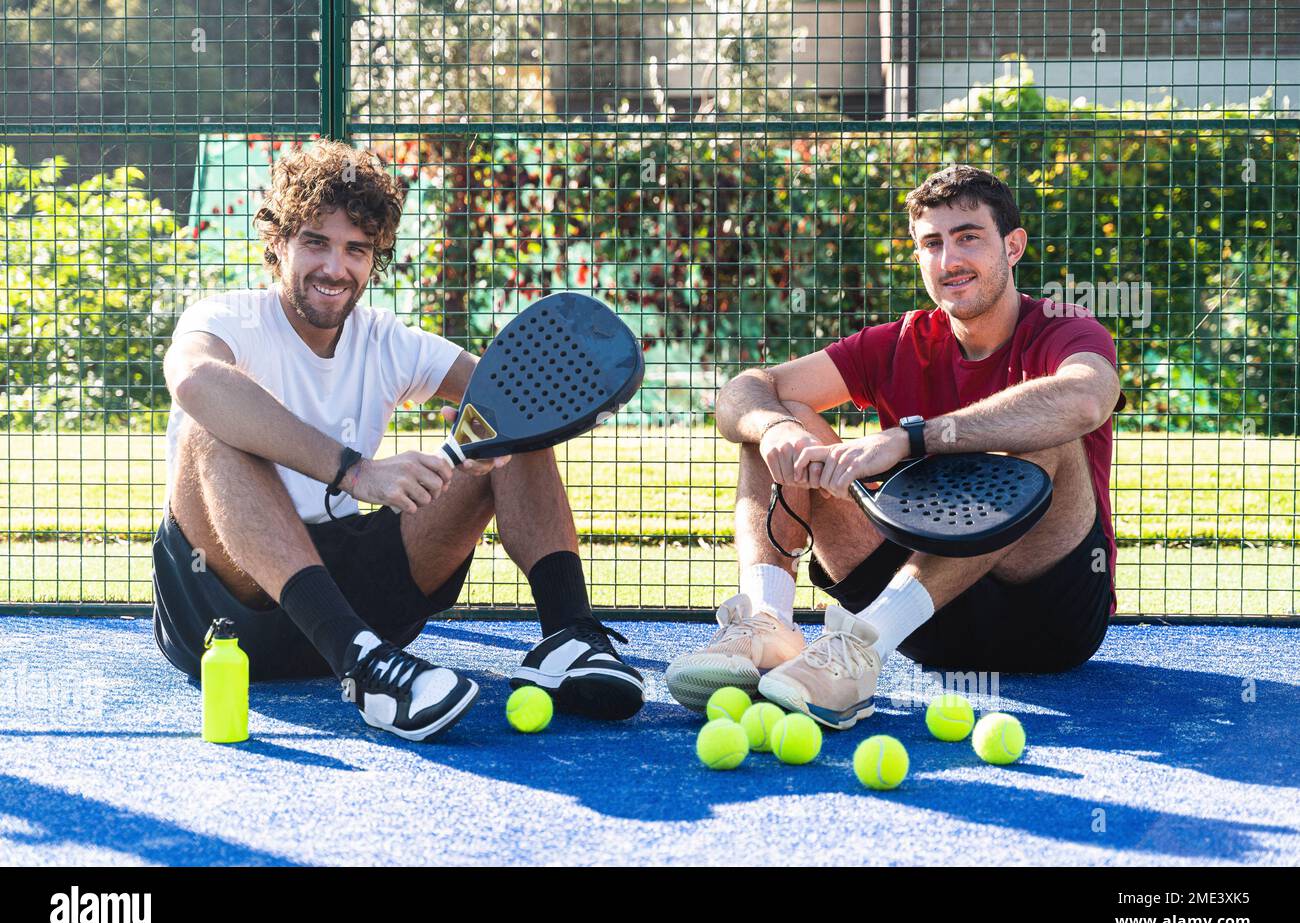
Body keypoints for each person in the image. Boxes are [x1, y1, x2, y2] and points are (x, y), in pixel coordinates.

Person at [153, 139, 644, 741]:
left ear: (373, 260)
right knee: (211, 431)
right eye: (315, 242)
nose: (335, 268)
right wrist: (357, 473)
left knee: (509, 408)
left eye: (355, 250)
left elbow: (518, 385)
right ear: (278, 244)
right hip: (229, 612)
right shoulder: (229, 319)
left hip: (363, 599)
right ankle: (362, 666)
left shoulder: (386, 340)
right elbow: (197, 380)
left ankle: (569, 637)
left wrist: (568, 404)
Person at [667, 165, 1125, 729]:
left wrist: (909, 438)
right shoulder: (903, 339)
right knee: (777, 419)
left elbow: (1084, 401)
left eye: (968, 237)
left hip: (1049, 617)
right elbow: (742, 391)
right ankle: (768, 627)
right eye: (931, 243)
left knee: (1046, 435)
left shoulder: (1064, 327)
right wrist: (773, 430)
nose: (949, 259)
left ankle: (859, 648)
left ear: (1013, 246)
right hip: (921, 620)